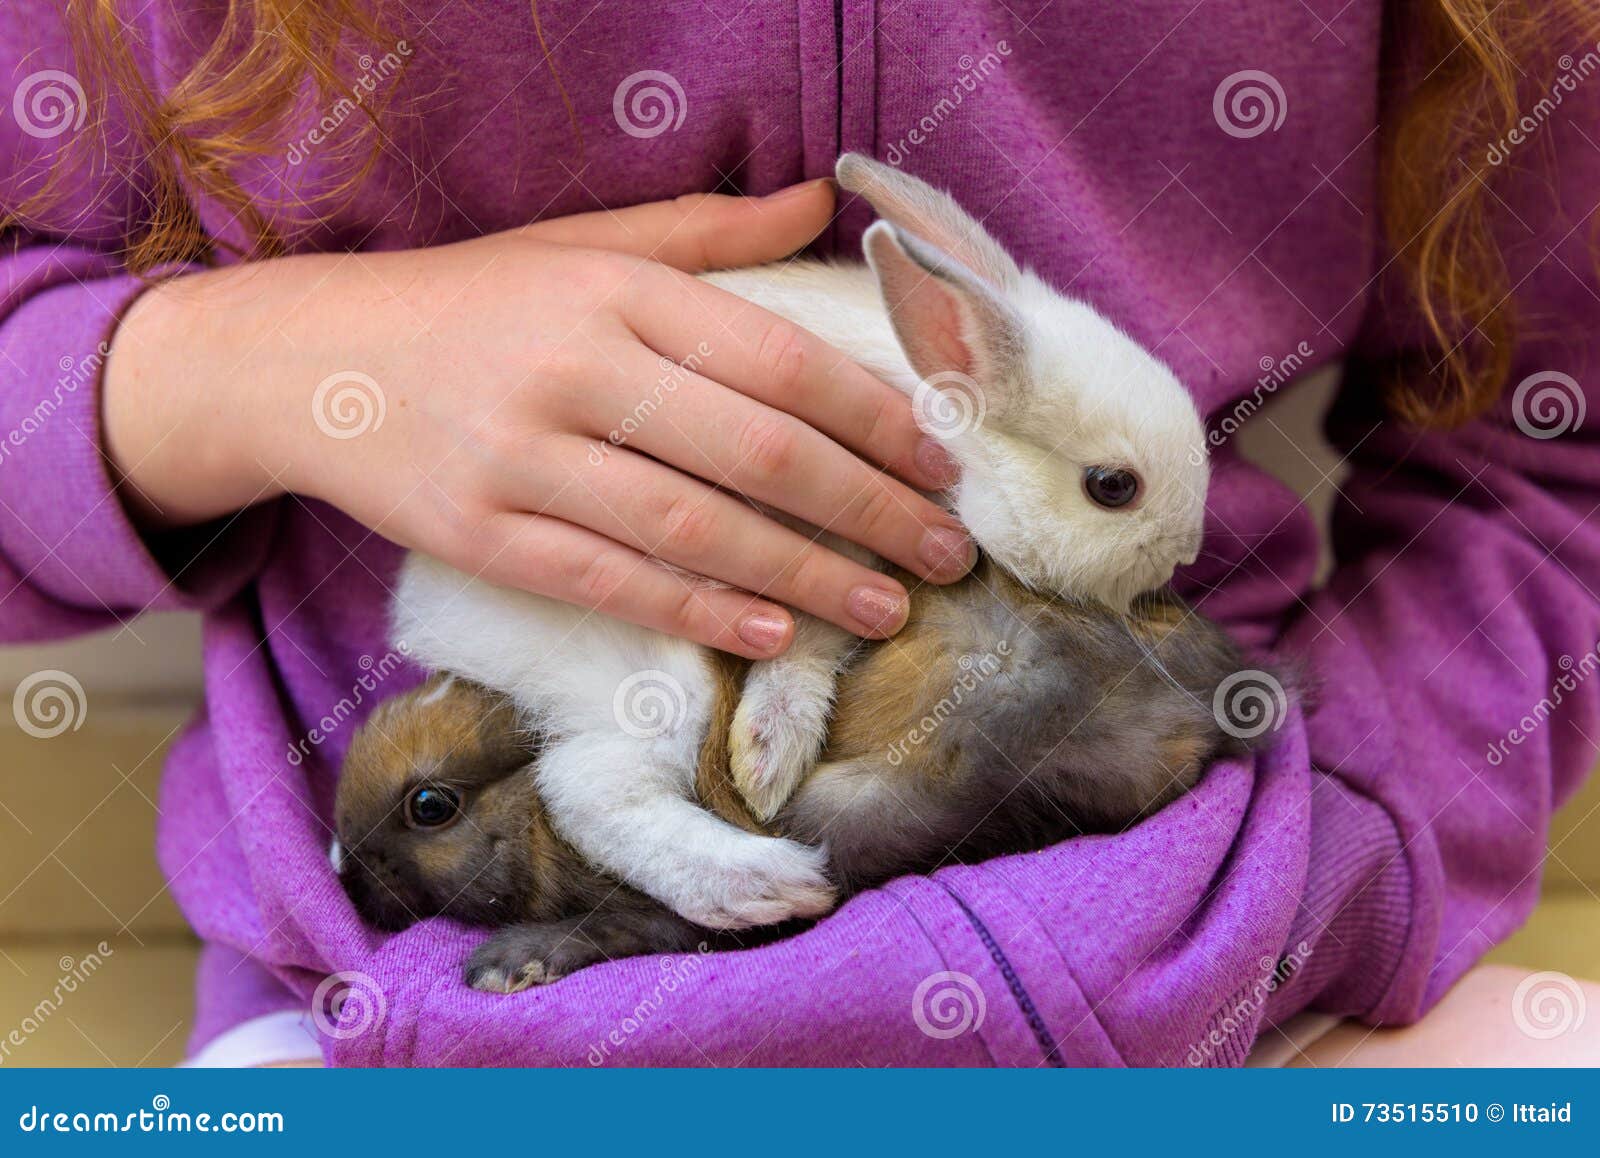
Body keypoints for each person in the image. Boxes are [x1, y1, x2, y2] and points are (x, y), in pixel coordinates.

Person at [2, 1, 1597, 1066]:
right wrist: (257, 370)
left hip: (1207, 1001)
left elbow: (1554, 430)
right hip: (398, 1024)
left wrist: (1359, 849)